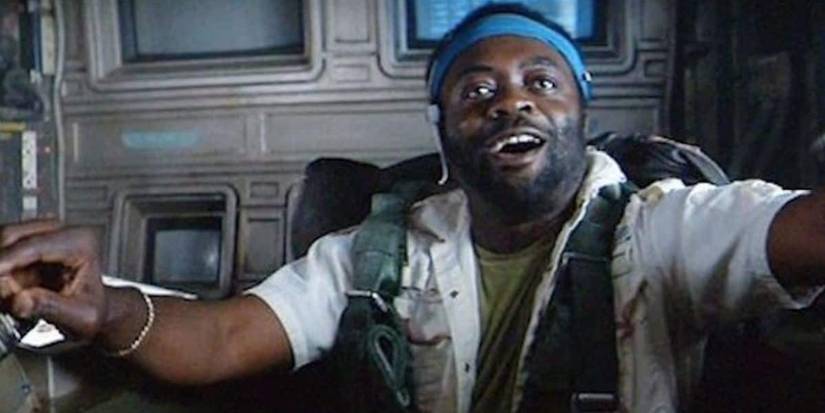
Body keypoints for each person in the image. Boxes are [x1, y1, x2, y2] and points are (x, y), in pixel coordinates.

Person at [1, 4, 824, 412]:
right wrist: (106, 308)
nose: (510, 102)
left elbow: (798, 232)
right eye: (476, 91)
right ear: (444, 131)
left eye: (540, 82)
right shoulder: (376, 248)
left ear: (580, 110)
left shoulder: (665, 227)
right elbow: (221, 339)